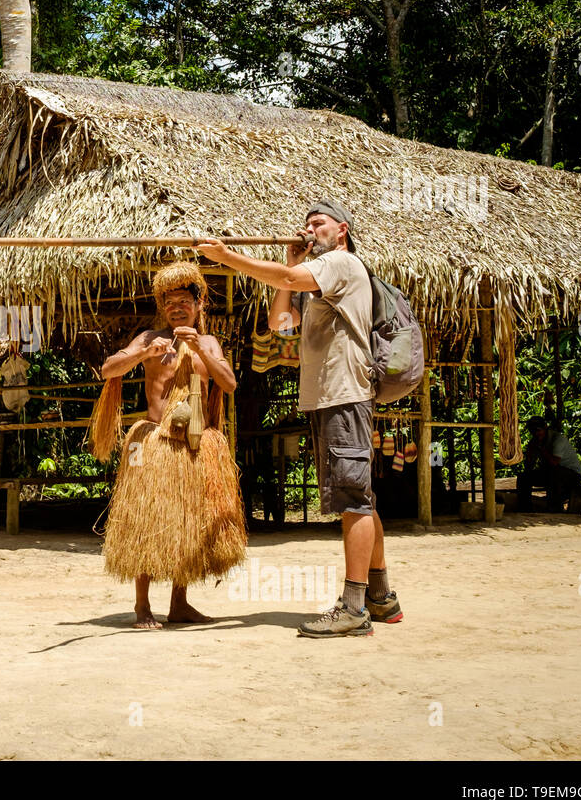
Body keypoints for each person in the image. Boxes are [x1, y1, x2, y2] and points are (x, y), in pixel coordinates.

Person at [195, 199, 402, 638]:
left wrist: (228, 257)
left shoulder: (342, 264)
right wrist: (291, 264)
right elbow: (279, 323)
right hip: (330, 398)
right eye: (305, 224)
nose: (309, 229)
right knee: (359, 496)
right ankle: (381, 598)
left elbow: (288, 278)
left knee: (352, 500)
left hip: (345, 397)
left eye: (318, 223)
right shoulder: (319, 283)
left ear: (341, 230)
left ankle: (353, 608)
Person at [91, 260, 245, 629]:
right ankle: (142, 606)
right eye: (169, 303)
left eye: (184, 302)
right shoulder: (148, 338)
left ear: (199, 303)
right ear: (162, 307)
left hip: (195, 443)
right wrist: (143, 354)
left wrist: (201, 350)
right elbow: (109, 369)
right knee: (145, 522)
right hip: (153, 441)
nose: (177, 308)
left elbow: (229, 384)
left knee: (188, 522)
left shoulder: (208, 342)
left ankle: (180, 604)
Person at [517, 416, 581, 512]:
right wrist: (530, 454)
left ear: (545, 427)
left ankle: (555, 509)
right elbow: (529, 466)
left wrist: (541, 449)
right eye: (532, 431)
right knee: (523, 477)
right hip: (552, 472)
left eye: (538, 430)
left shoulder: (558, 439)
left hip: (572, 474)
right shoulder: (535, 441)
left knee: (554, 473)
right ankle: (525, 509)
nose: (536, 433)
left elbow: (554, 462)